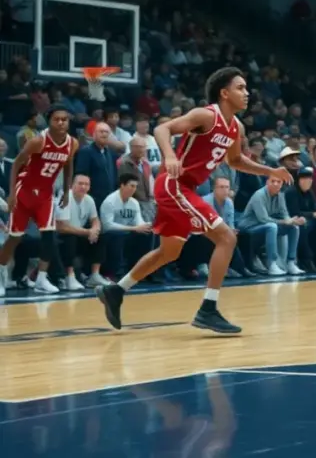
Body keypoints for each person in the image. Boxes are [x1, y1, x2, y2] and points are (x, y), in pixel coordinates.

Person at [96, 67, 291, 333]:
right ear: (224, 93)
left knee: (170, 251)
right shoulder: (205, 115)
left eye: (246, 88)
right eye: (240, 88)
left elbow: (235, 160)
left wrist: (271, 170)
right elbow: (163, 128)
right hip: (174, 184)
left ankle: (116, 291)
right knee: (227, 237)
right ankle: (208, 309)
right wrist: (170, 155)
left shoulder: (236, 127)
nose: (247, 93)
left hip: (185, 189)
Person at [1, 105, 77, 297]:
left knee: (49, 236)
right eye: (56, 119)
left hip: (45, 193)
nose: (61, 122)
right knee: (15, 237)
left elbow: (68, 166)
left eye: (64, 119)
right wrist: (11, 194)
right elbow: (17, 163)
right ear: (49, 121)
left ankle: (42, 279)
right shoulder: (38, 141)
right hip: (24, 190)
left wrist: (67, 191)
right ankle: (1, 274)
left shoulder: (72, 143)